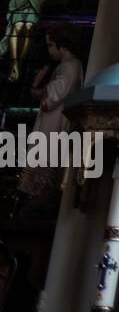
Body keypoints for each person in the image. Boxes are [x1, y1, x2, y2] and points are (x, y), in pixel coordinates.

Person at [16, 25, 83, 202]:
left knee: (42, 175)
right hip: (57, 125)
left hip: (53, 127)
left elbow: (51, 97)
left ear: (61, 45)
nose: (49, 50)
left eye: (50, 45)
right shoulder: (72, 66)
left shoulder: (68, 66)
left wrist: (35, 88)